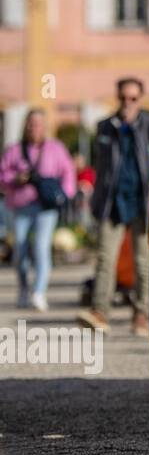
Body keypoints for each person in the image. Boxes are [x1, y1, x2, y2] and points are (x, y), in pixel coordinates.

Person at [81, 78, 149, 334]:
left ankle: (141, 315)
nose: (127, 104)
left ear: (140, 100)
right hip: (113, 201)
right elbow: (101, 168)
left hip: (142, 200)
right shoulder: (106, 128)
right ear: (117, 98)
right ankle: (100, 312)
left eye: (133, 99)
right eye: (123, 98)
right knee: (105, 257)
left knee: (143, 260)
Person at [0, 109, 76, 312]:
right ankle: (23, 289)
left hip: (46, 207)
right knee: (20, 251)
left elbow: (68, 172)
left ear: (45, 126)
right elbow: (2, 175)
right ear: (25, 125)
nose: (35, 127)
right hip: (20, 206)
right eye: (31, 123)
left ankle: (39, 292)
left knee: (42, 248)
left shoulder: (55, 148)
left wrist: (65, 194)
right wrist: (15, 179)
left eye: (39, 123)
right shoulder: (14, 150)